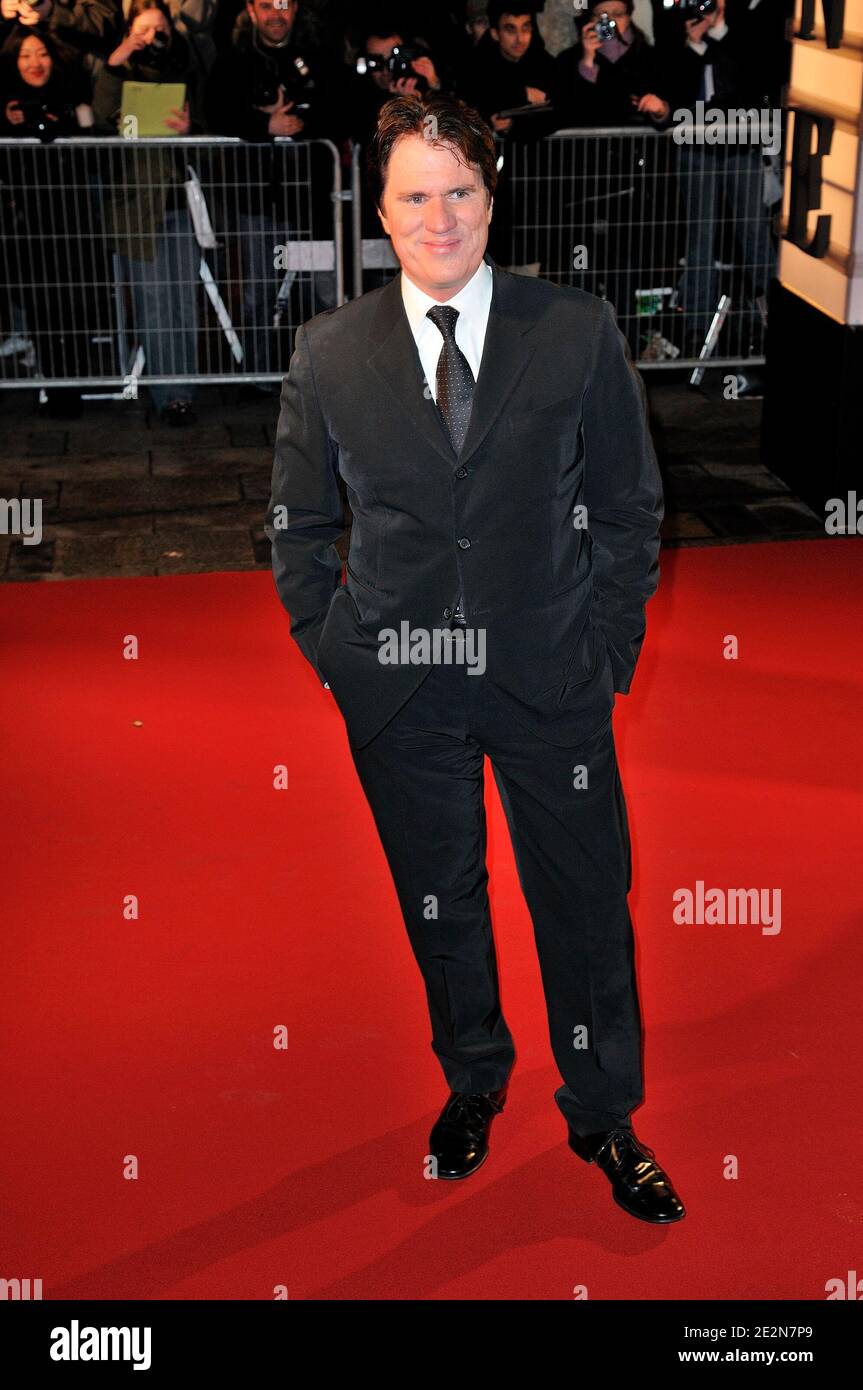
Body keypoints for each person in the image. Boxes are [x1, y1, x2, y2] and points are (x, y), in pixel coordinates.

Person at [265, 91, 685, 1224]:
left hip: (550, 672)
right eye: (414, 194)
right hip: (398, 684)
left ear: (491, 203)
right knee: (440, 903)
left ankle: (603, 1112)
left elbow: (629, 505)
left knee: (585, 900)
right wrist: (337, 656)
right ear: (382, 214)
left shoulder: (575, 329)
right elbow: (298, 529)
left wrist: (604, 647)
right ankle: (472, 1078)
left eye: (458, 191)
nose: (437, 215)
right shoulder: (328, 352)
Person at [204, 0, 344, 378]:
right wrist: (263, 126)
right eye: (267, 5)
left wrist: (298, 122)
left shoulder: (319, 58)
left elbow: (341, 111)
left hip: (311, 203)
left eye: (283, 5)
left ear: (296, 9)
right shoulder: (233, 62)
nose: (276, 14)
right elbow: (213, 112)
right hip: (256, 201)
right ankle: (259, 374)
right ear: (250, 10)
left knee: (321, 293)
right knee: (258, 294)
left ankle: (326, 377)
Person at [93, 0, 202, 424]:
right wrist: (116, 61)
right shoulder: (118, 76)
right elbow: (103, 119)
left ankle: (187, 391)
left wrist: (190, 131)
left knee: (184, 302)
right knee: (154, 302)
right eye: (143, 30)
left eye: (160, 30)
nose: (153, 38)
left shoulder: (185, 72)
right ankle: (170, 397)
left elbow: (210, 124)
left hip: (181, 204)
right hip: (138, 208)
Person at [0, 29, 100, 412]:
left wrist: (82, 123)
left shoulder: (70, 97)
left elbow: (92, 162)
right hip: (30, 226)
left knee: (77, 305)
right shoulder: (8, 105)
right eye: (26, 55)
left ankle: (75, 383)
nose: (35, 63)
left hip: (73, 221)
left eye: (41, 53)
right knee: (42, 308)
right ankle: (56, 387)